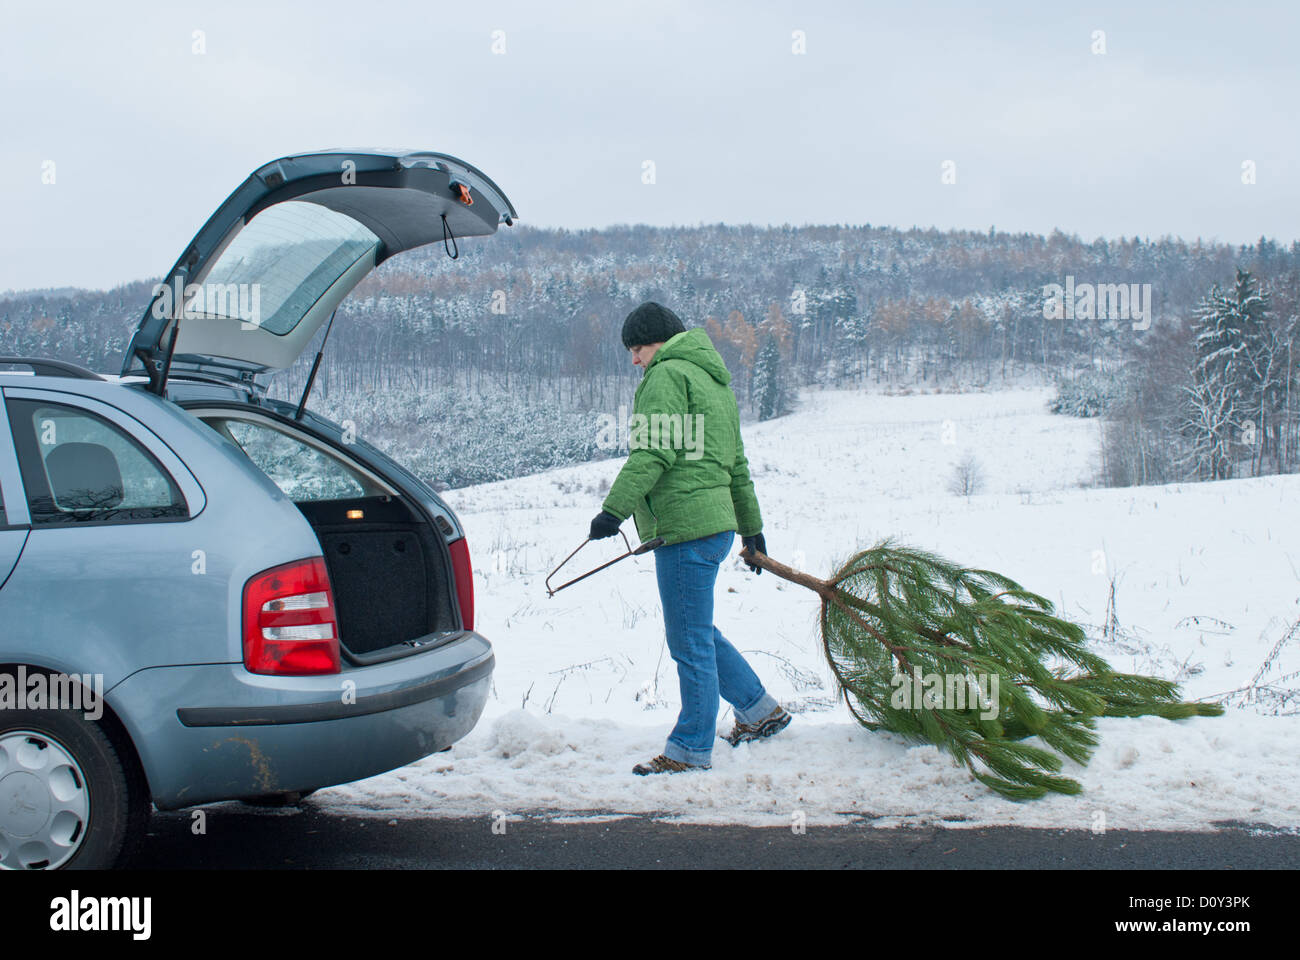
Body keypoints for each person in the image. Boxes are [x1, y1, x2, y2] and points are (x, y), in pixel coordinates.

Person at [588, 301, 791, 775]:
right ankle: (761, 712)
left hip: (683, 528)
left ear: (655, 340)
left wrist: (612, 511)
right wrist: (752, 530)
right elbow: (737, 467)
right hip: (714, 528)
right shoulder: (714, 381)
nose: (634, 360)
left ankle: (690, 750)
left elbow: (652, 453)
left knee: (688, 643)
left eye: (636, 349)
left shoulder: (666, 376)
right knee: (698, 632)